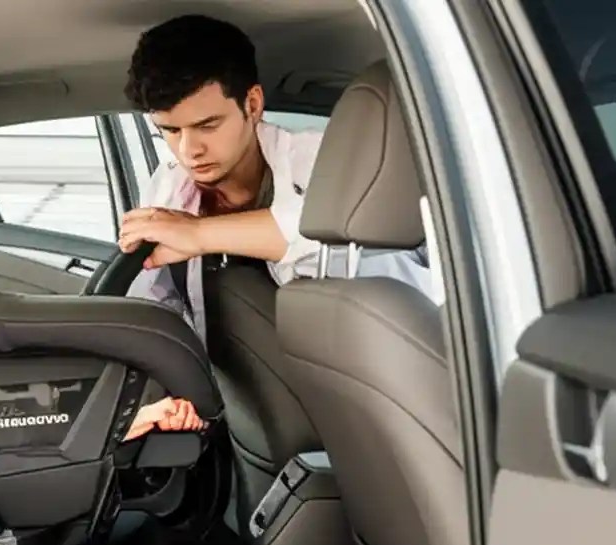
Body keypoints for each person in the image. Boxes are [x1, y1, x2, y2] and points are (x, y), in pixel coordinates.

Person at [119, 15, 434, 343]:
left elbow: (332, 245)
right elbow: (151, 302)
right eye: (170, 130)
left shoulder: (322, 161)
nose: (189, 150)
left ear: (253, 105)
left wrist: (198, 233)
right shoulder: (168, 186)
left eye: (208, 125)